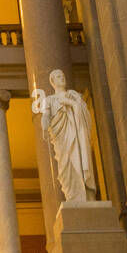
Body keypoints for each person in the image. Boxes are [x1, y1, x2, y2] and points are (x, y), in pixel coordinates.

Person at [39, 68, 97, 203]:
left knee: (81, 159)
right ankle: (73, 197)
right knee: (66, 167)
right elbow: (45, 116)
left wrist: (72, 104)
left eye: (63, 75)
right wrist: (44, 127)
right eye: (58, 77)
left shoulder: (74, 96)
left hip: (77, 136)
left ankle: (88, 195)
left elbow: (85, 116)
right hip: (62, 140)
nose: (62, 78)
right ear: (52, 82)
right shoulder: (49, 100)